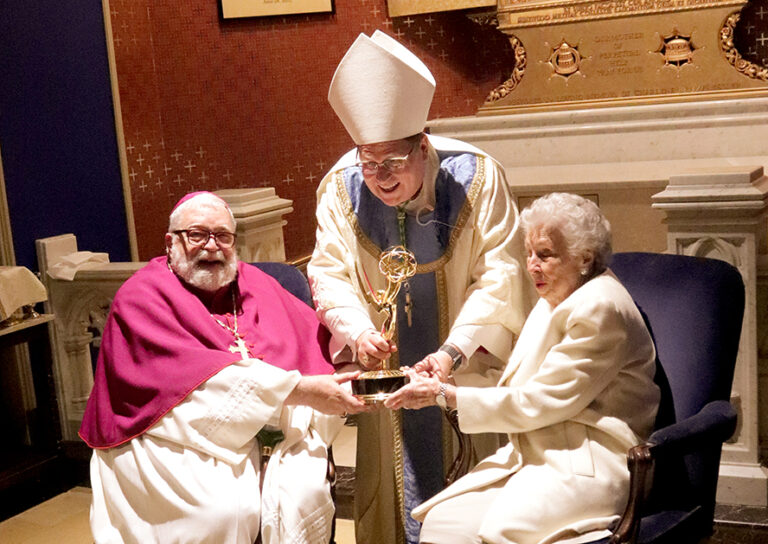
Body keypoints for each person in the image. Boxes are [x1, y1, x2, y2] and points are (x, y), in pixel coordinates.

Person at [307, 31, 532, 544]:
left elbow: (502, 274)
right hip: (387, 370)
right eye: (369, 161)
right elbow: (329, 271)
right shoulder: (342, 187)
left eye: (393, 162)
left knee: (471, 496)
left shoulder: (475, 178)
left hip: (463, 369)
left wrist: (453, 350)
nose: (380, 177)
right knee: (392, 486)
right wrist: (359, 330)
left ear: (423, 146)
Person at [79, 191, 368, 544]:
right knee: (221, 511)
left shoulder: (254, 283)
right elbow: (178, 378)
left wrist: (355, 349)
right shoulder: (140, 294)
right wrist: (299, 390)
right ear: (171, 242)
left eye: (223, 236)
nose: (212, 246)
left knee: (299, 492)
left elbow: (315, 336)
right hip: (165, 429)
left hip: (264, 423)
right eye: (197, 235)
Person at [385, 192, 662, 544]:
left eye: (545, 255)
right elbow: (523, 385)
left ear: (584, 257)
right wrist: (445, 374)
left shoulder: (599, 307)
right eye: (529, 253)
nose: (531, 265)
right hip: (536, 451)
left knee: (501, 533)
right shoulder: (558, 294)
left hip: (586, 460)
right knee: (445, 525)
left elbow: (540, 400)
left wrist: (445, 395)